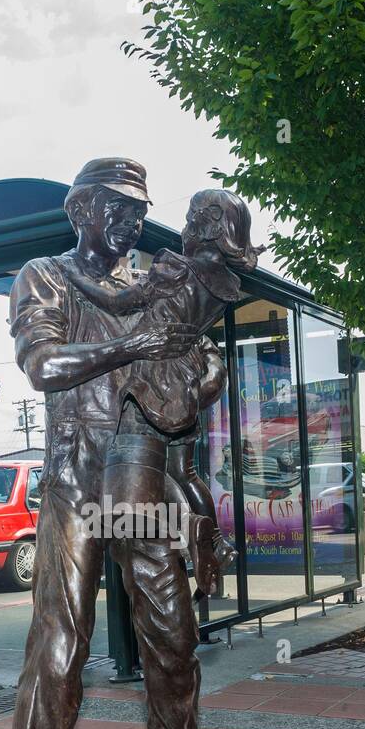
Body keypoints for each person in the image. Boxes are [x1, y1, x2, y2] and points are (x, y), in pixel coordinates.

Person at [3, 158, 241, 729]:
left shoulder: (154, 287)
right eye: (115, 207)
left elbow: (181, 384)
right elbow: (44, 367)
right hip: (77, 483)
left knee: (173, 636)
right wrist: (129, 347)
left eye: (138, 211)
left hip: (142, 479)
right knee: (61, 643)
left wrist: (203, 372)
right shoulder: (43, 275)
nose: (130, 222)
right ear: (80, 210)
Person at [66, 189, 262, 594]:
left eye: (190, 218)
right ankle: (216, 542)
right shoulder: (226, 283)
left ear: (202, 226)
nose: (183, 226)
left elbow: (118, 303)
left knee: (127, 505)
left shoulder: (172, 267)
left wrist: (75, 278)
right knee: (184, 472)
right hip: (184, 386)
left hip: (148, 383)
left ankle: (190, 529)